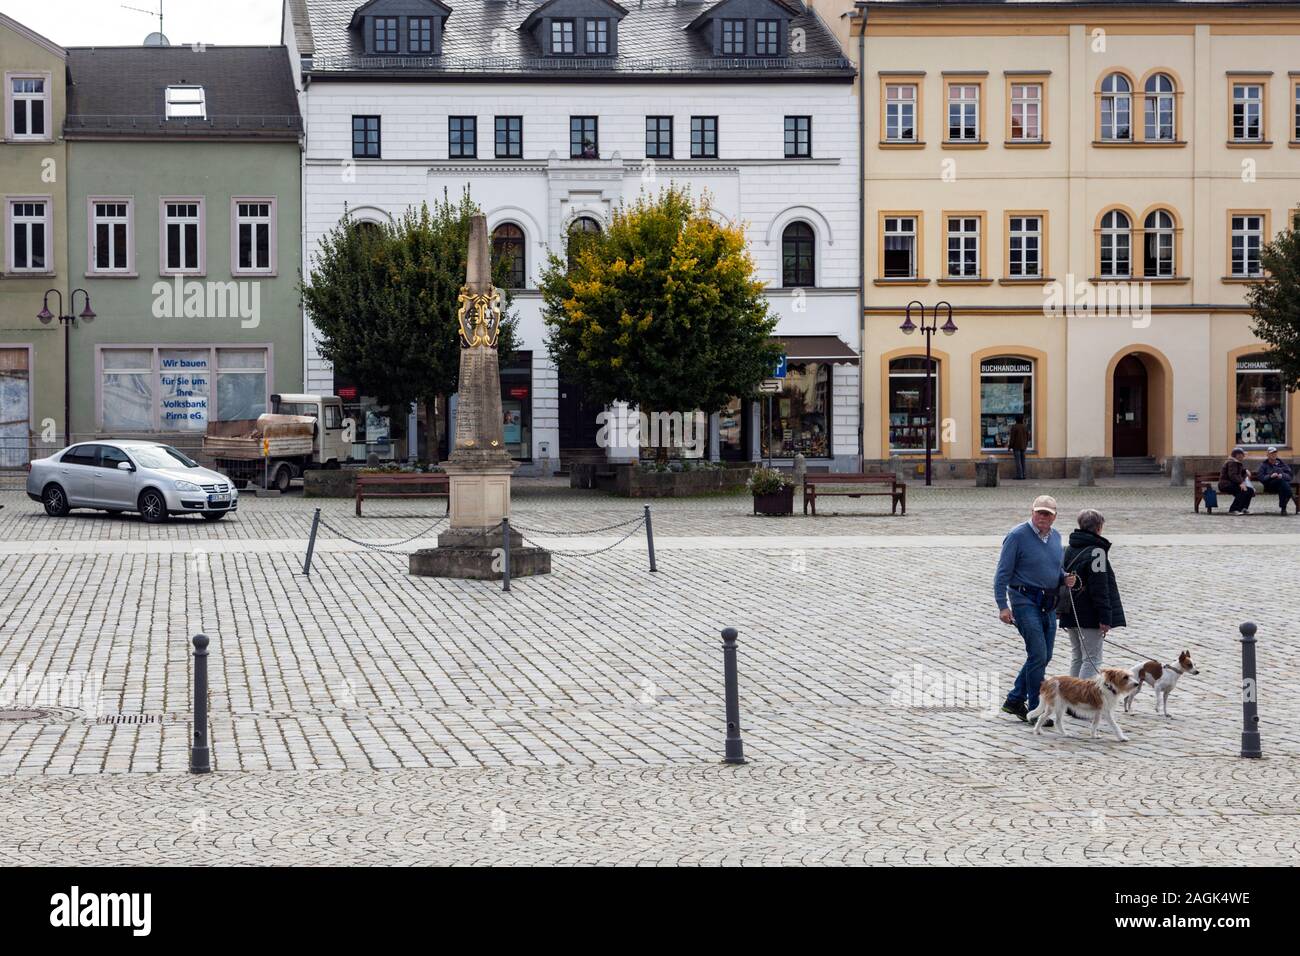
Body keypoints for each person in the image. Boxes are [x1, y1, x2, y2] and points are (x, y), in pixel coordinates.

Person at [995, 495, 1076, 726]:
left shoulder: (1056, 537)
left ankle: (1014, 699)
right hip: (1024, 600)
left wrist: (1064, 578)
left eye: (1047, 514)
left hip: (1048, 603)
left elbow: (1055, 569)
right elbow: (1002, 573)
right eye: (1039, 512)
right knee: (1038, 654)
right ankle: (1034, 709)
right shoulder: (1017, 536)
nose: (1043, 517)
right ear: (1032, 512)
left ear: (1054, 516)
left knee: (1044, 655)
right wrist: (1003, 605)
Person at [1057, 509, 1126, 681]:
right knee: (1092, 659)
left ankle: (1070, 701)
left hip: (1070, 611)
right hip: (1088, 615)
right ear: (1098, 528)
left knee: (1078, 657)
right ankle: (1080, 701)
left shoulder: (1068, 548)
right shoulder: (1097, 552)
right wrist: (1105, 617)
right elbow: (1100, 587)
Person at [1255, 446, 1295, 515]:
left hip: (1281, 485)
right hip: (1270, 486)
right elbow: (1261, 478)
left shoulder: (1282, 464)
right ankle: (1284, 506)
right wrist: (1271, 476)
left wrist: (1282, 475)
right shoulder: (1264, 465)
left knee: (1282, 483)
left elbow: (1289, 476)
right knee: (1285, 486)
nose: (1273, 455)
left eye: (1275, 453)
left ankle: (1283, 509)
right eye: (1271, 453)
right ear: (1267, 455)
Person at [1218, 447, 1255, 515]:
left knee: (1250, 490)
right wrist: (1240, 483)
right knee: (1243, 490)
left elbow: (1239, 472)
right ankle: (1233, 509)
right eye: (1242, 455)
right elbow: (1233, 475)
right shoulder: (1232, 462)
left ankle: (1243, 508)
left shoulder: (1236, 462)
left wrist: (1245, 471)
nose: (1243, 456)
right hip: (1225, 484)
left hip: (1232, 483)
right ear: (1237, 455)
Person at [1008, 416, 1029, 480]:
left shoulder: (1014, 427)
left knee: (1018, 462)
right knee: (1023, 461)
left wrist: (1010, 446)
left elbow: (1012, 438)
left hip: (1016, 447)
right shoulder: (1025, 427)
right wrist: (1026, 444)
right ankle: (1024, 474)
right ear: (1022, 420)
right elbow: (1028, 437)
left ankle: (1020, 475)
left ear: (1016, 420)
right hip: (1023, 446)